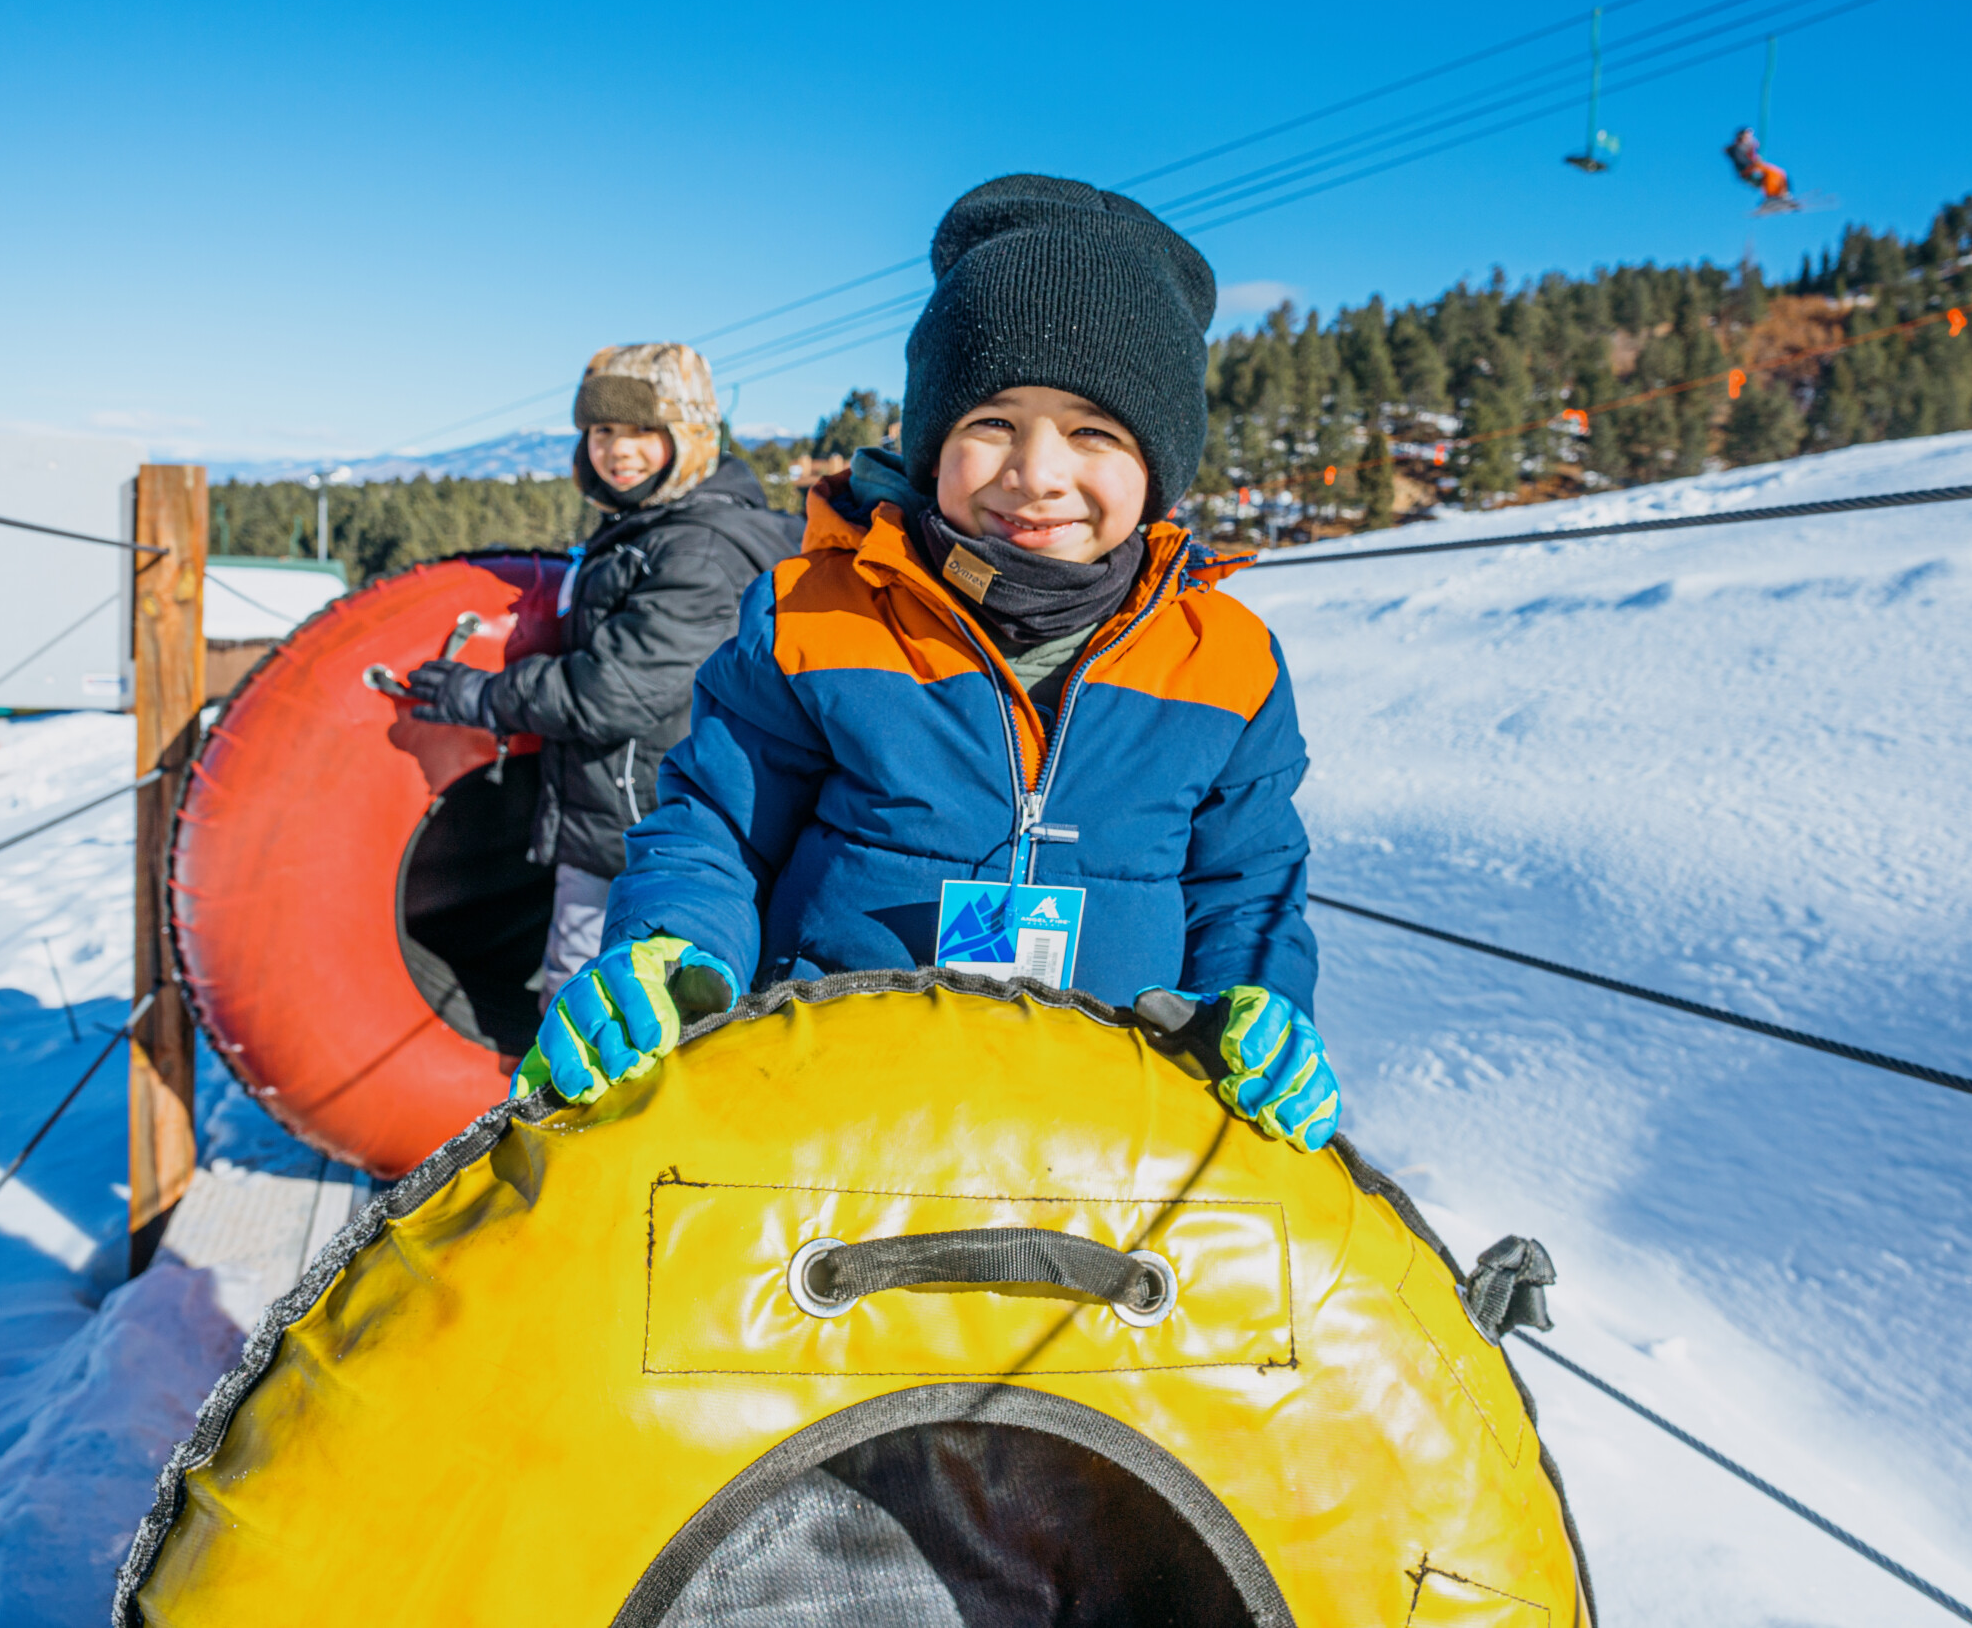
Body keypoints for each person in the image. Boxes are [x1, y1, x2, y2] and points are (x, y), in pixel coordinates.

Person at [516, 175, 1338, 1154]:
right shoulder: (808, 616)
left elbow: (1246, 885)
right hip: (825, 1121)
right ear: (930, 440)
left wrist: (1260, 1000)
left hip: (1107, 1145)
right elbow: (716, 831)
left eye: (1093, 432)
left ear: (1158, 463)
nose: (1036, 473)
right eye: (991, 422)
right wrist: (670, 945)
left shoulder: (1226, 661)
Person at [404, 343, 800, 1006]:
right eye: (602, 430)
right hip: (623, 809)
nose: (618, 450)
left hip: (643, 826)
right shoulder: (652, 528)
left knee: (586, 1002)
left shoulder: (698, 547)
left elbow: (611, 690)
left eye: (642, 430)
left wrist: (475, 693)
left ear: (689, 433)